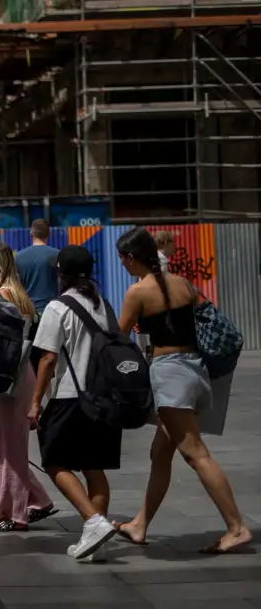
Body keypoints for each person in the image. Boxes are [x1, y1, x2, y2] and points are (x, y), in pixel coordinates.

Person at [113, 227, 251, 554]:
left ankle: (237, 527)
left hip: (170, 374)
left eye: (123, 260)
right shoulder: (182, 283)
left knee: (196, 454)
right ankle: (140, 524)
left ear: (132, 258)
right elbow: (201, 315)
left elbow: (117, 338)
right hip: (196, 369)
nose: (123, 265)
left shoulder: (137, 292)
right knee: (160, 452)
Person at [29, 245, 120, 561]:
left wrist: (36, 403)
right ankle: (96, 541)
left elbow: (48, 358)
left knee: (55, 462)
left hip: (71, 397)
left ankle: (94, 523)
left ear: (61, 274)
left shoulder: (58, 307)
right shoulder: (105, 306)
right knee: (94, 467)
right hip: (105, 398)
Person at [0, 242, 56, 532]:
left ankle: (12, 515)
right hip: (21, 376)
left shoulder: (2, 294)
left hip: (9, 378)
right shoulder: (19, 295)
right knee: (11, 447)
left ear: (1, 266)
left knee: (7, 451)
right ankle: (38, 500)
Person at [15, 219, 60, 319]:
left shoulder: (19, 257)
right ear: (49, 234)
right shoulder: (57, 254)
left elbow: (16, 286)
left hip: (28, 310)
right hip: (52, 310)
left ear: (31, 233)